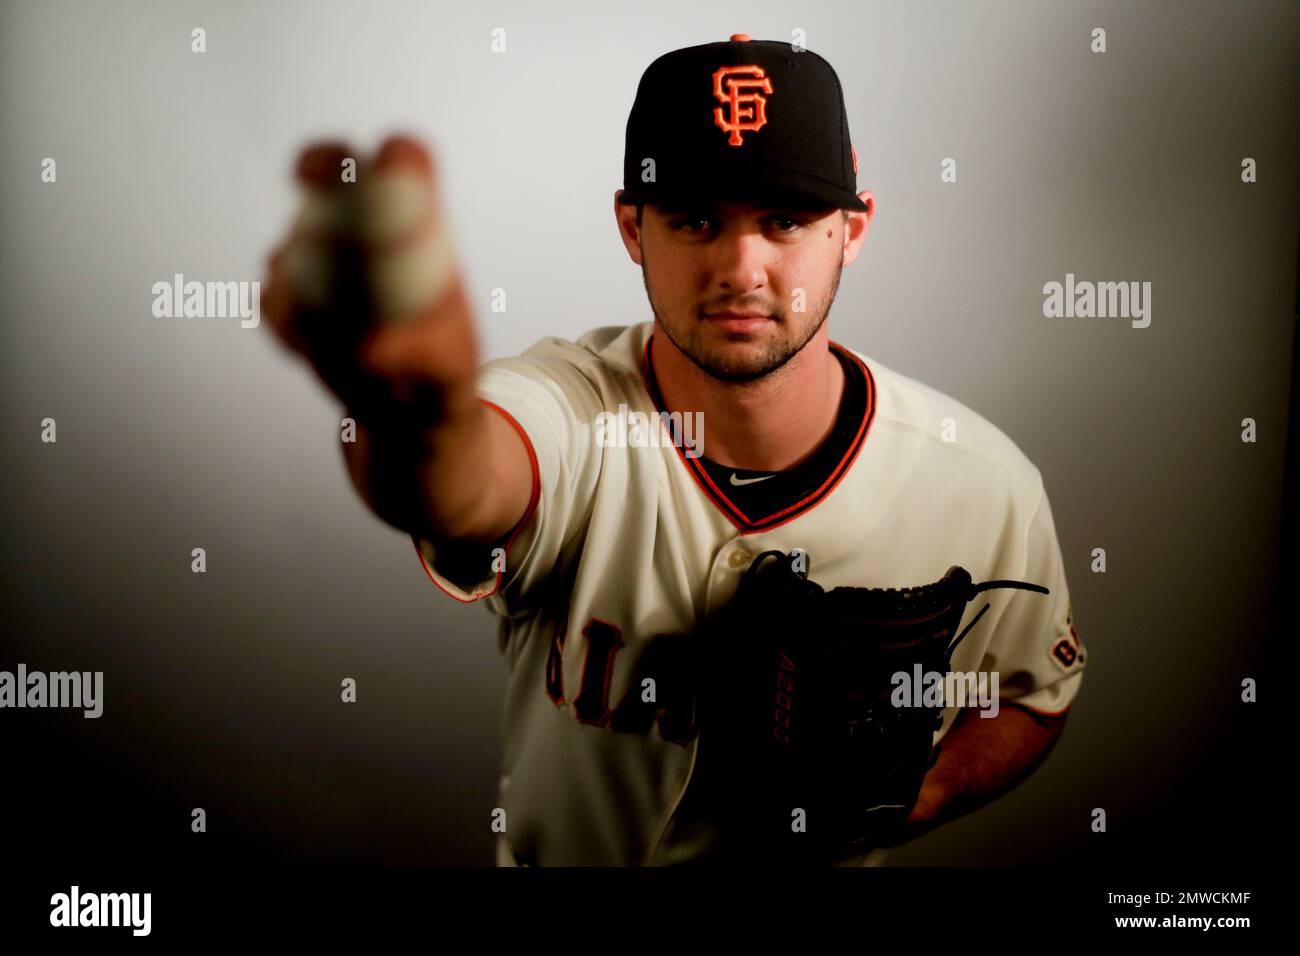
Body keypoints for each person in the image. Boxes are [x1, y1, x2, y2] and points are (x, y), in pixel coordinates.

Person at [262, 35, 1086, 866]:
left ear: (853, 230)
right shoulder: (574, 409)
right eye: (695, 219)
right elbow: (469, 482)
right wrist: (415, 417)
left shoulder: (986, 485)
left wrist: (913, 797)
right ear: (632, 226)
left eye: (787, 219)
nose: (741, 267)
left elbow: (1035, 694)